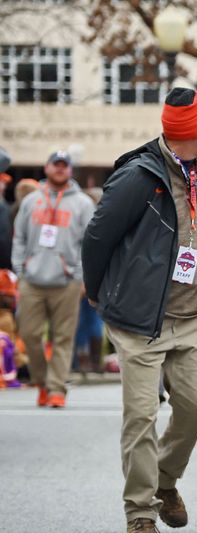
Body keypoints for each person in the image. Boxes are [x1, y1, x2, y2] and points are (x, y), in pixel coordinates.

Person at [82, 87, 197, 533]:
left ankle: (165, 480)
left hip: (186, 319)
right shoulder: (139, 177)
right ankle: (140, 513)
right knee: (141, 416)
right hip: (138, 320)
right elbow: (97, 238)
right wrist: (98, 292)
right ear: (193, 131)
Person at [12, 150, 95, 408]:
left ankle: (57, 389)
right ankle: (41, 382)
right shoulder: (31, 201)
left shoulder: (82, 203)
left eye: (64, 165)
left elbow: (89, 244)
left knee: (63, 338)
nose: (60, 169)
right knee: (30, 334)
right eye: (55, 165)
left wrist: (82, 277)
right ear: (46, 168)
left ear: (70, 170)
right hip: (32, 280)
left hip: (67, 281)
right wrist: (19, 270)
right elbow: (19, 237)